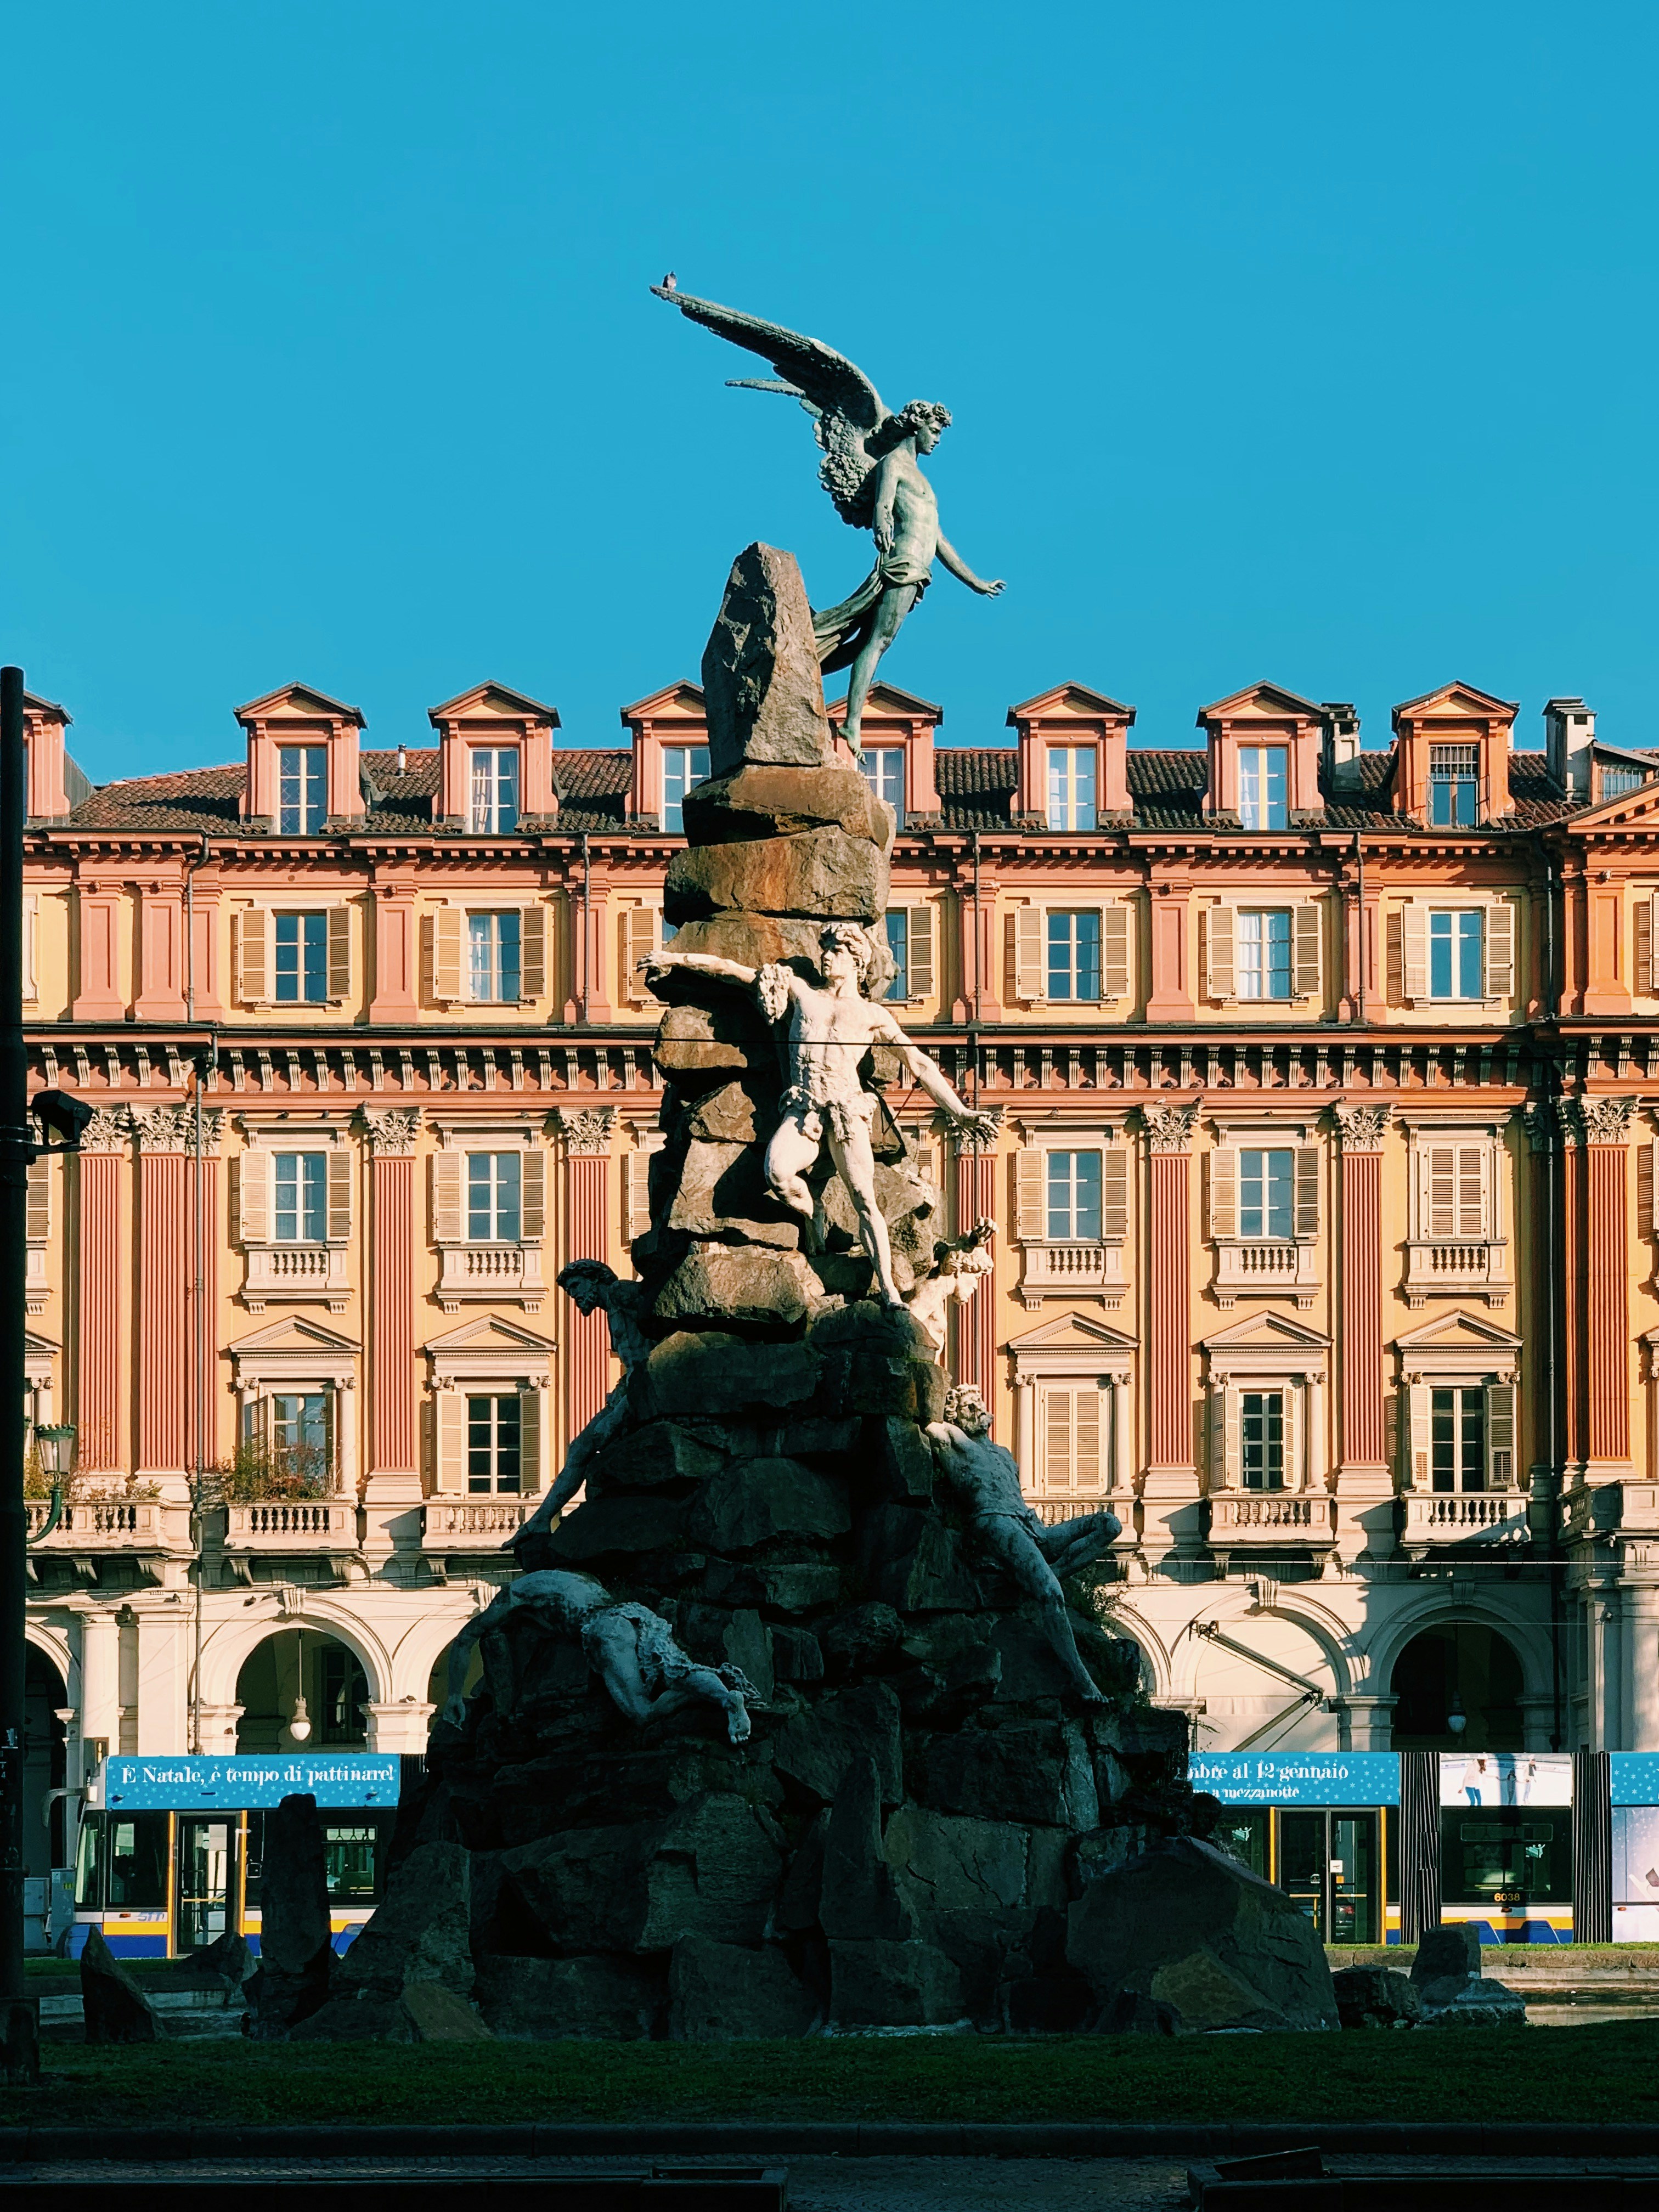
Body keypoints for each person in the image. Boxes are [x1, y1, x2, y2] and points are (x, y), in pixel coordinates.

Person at [643, 923, 998, 1307]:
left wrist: (960, 1112)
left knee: (865, 1201)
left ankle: (890, 1291)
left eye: (836, 951)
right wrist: (674, 959)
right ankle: (814, 1211)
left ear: (857, 961)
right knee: (777, 1174)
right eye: (825, 949)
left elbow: (920, 1064)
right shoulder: (801, 993)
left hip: (847, 1111)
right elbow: (731, 970)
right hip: (805, 1108)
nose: (826, 956)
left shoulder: (872, 1015)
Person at [924, 1385, 1121, 1706]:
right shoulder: (949, 1436)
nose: (976, 1413)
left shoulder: (1003, 1454)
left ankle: (1049, 1575)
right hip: (994, 1520)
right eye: (967, 1409)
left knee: (1108, 1524)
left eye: (978, 1405)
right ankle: (1085, 1684)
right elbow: (930, 1426)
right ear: (955, 1415)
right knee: (1051, 1594)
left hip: (1030, 1524)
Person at [441, 1568, 757, 1745]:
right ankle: (724, 1695)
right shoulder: (576, 1578)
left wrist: (454, 1694)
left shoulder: (514, 1595)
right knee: (675, 1667)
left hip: (603, 1630)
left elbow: (465, 1639)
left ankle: (698, 1698)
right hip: (635, 1614)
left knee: (642, 1714)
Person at [509, 1261, 650, 1562]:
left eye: (575, 1287)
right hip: (631, 1387)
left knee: (600, 1437)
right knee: (578, 1449)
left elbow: (653, 1341)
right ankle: (541, 1519)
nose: (573, 1296)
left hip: (647, 1384)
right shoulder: (613, 1307)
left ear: (594, 1279)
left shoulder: (623, 1294)